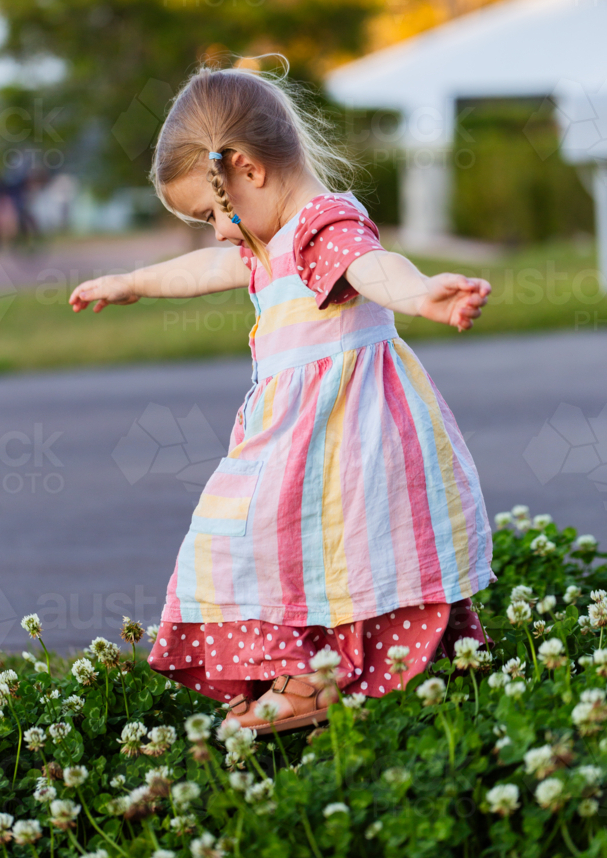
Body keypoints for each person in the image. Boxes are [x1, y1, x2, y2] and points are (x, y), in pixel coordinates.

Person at [69, 62, 495, 734]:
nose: (218, 230)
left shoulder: (321, 225)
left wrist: (418, 295)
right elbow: (209, 266)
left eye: (215, 210)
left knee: (318, 550)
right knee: (248, 543)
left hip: (345, 436)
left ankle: (307, 683)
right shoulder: (264, 240)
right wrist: (132, 282)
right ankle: (289, 671)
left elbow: (369, 264)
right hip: (290, 433)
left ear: (246, 168)